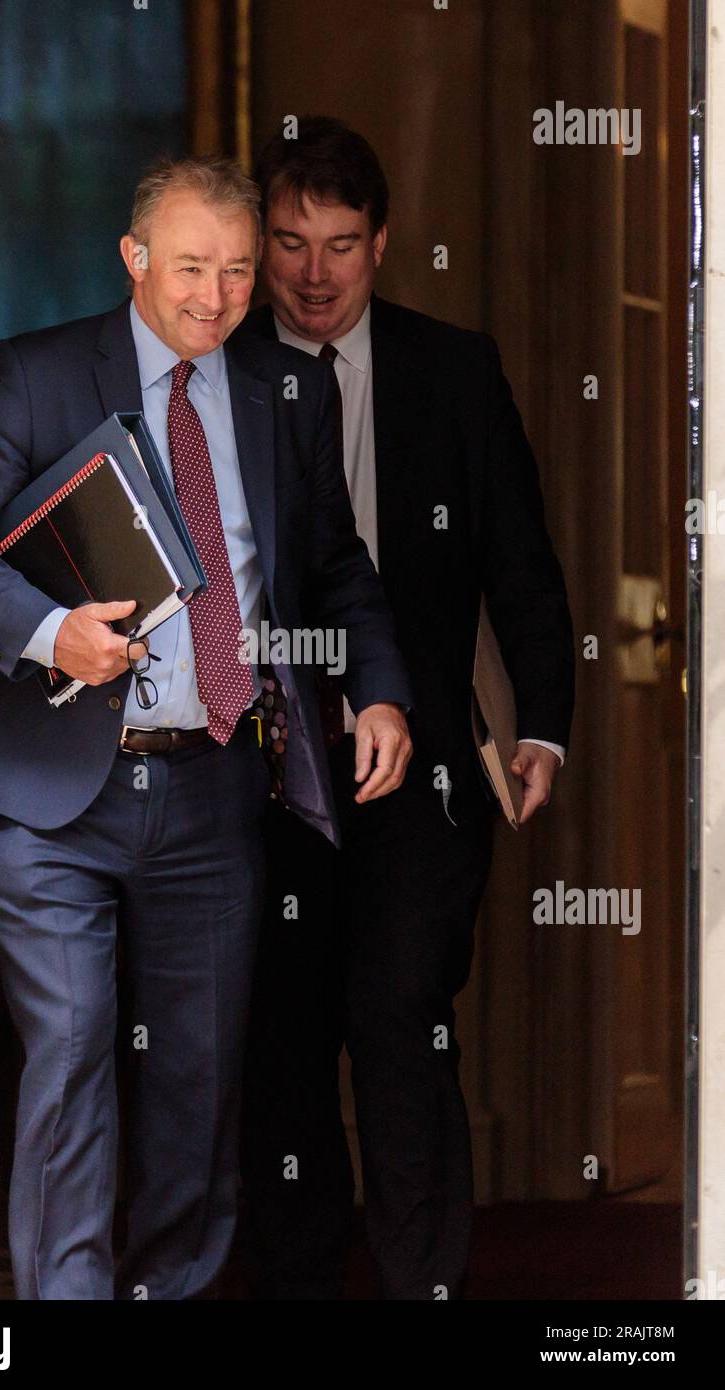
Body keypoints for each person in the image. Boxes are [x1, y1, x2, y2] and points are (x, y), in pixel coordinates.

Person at [0, 154, 413, 1301]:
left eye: (238, 270)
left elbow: (334, 563)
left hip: (211, 791)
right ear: (135, 260)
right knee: (76, 1054)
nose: (215, 295)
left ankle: (168, 1293)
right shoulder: (34, 374)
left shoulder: (287, 389)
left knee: (196, 1081)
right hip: (52, 796)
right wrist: (46, 632)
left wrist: (377, 690)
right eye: (190, 266)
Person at [239, 118, 575, 1300]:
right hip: (260, 768)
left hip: (423, 762)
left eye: (339, 244)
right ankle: (296, 1281)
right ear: (258, 243)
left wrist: (538, 724)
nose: (314, 275)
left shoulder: (452, 370)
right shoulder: (216, 375)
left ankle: (419, 1282)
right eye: (288, 244)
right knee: (281, 1038)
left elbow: (520, 566)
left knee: (398, 1012)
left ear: (381, 242)